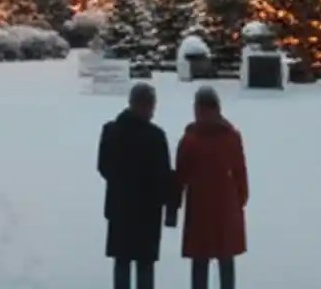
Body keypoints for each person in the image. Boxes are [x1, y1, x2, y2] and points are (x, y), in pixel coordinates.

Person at [98, 82, 173, 289]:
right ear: (143, 105)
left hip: (119, 208)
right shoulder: (155, 136)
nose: (152, 110)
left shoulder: (111, 131)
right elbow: (164, 175)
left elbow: (104, 167)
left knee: (122, 262)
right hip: (147, 212)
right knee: (144, 265)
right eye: (151, 105)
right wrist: (167, 202)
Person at [172, 86, 248, 289]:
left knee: (200, 260)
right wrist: (240, 199)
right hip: (226, 205)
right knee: (225, 258)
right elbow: (240, 171)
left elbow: (180, 175)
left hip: (199, 207)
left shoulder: (190, 140)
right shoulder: (230, 136)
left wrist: (174, 205)